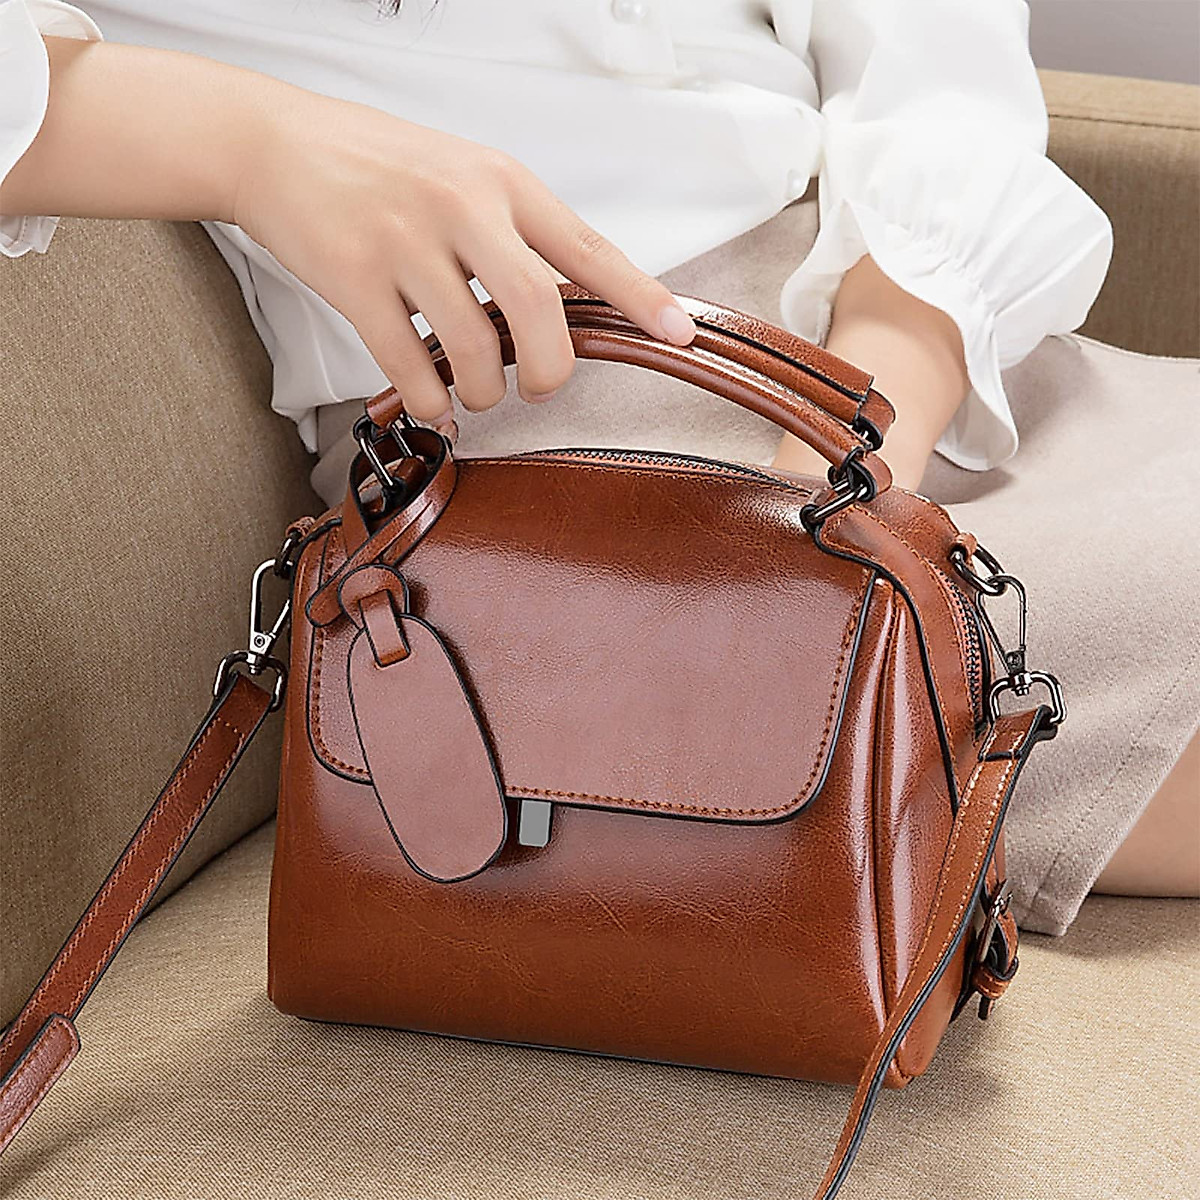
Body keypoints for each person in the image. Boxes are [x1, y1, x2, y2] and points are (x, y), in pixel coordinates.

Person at [2, 0, 1196, 935]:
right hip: (546, 454)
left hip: (904, 342)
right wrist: (251, 140)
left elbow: (927, 57)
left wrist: (866, 409)